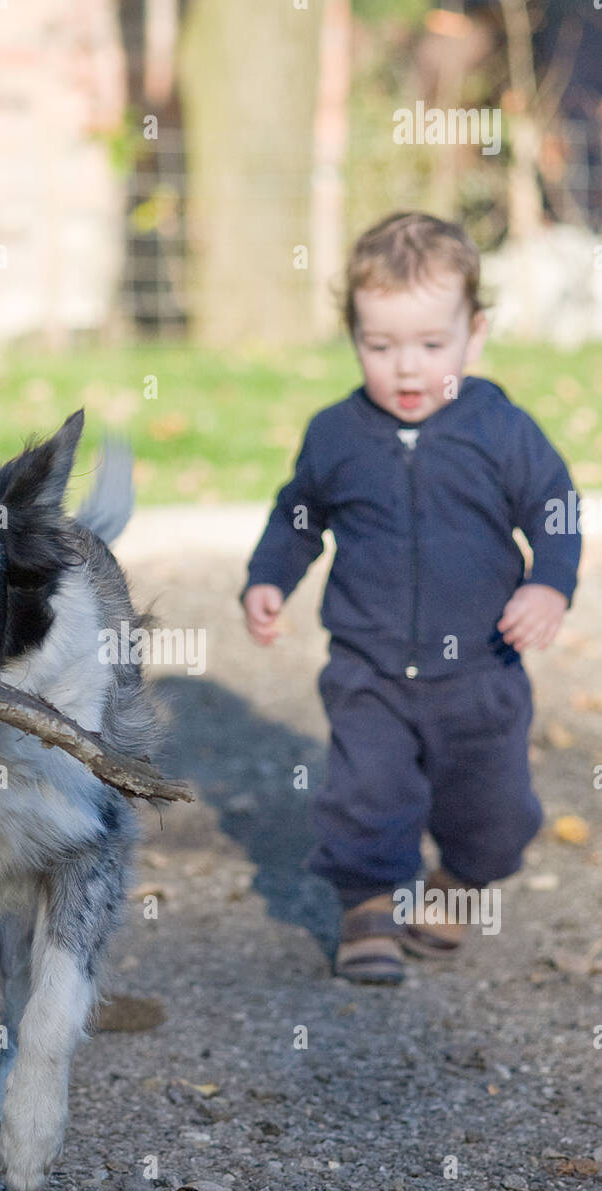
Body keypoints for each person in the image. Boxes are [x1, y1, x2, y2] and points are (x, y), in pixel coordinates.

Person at [241, 211, 581, 984]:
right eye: (379, 345)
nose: (406, 369)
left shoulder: (500, 430)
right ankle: (367, 905)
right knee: (367, 794)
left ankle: (456, 887)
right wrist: (268, 577)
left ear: (475, 335)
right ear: (353, 336)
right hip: (369, 668)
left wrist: (548, 583)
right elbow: (298, 515)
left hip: (482, 669)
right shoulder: (336, 435)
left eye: (432, 345)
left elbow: (556, 509)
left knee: (492, 815)